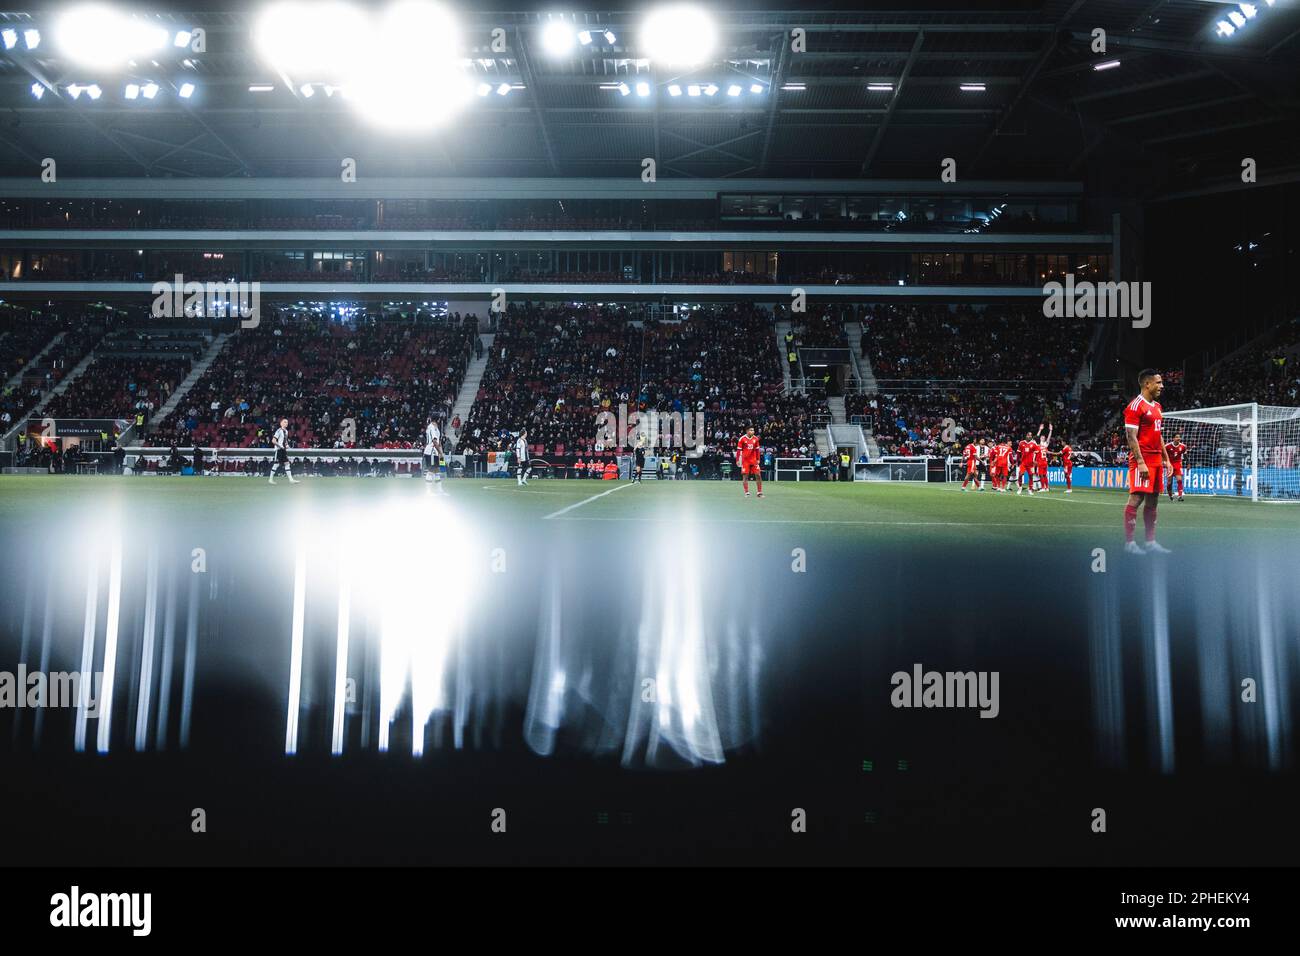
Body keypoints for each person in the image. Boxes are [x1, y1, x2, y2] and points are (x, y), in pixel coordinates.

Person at [1123, 369, 1173, 554]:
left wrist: (1166, 459)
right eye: (1158, 383)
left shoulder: (1158, 407)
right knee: (1136, 498)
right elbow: (1131, 436)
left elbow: (1158, 435)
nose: (1162, 386)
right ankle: (1129, 544)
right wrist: (1141, 462)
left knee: (1153, 500)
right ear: (1147, 384)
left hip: (1156, 459)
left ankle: (1150, 543)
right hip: (1141, 459)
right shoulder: (1135, 406)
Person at [423, 414, 448, 496]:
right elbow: (434, 441)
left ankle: (439, 490)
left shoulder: (435, 428)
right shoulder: (432, 428)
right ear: (437, 420)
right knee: (431, 470)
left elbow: (438, 441)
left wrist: (441, 451)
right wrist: (440, 452)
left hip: (435, 451)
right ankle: (428, 491)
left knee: (437, 470)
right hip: (431, 451)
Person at [269, 417, 298, 484]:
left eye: (287, 422)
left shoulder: (286, 431)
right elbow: (273, 441)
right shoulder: (278, 431)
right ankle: (270, 479)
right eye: (285, 422)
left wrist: (287, 445)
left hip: (283, 450)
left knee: (287, 463)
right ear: (281, 423)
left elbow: (285, 441)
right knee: (276, 465)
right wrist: (280, 446)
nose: (286, 423)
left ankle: (291, 480)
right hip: (279, 450)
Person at [736, 425, 763, 498]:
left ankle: (759, 492)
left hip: (754, 460)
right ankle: (746, 492)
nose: (753, 432)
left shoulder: (756, 439)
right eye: (751, 430)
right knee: (745, 476)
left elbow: (757, 450)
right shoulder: (742, 439)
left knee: (758, 475)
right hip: (745, 461)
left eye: (753, 430)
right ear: (747, 431)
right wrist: (737, 460)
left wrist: (758, 459)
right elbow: (739, 450)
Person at [1165, 433, 1188, 501]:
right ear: (1173, 438)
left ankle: (1180, 496)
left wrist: (1188, 463)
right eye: (1177, 437)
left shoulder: (1183, 446)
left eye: (1179, 437)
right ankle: (1170, 495)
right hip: (1170, 465)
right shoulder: (1167, 446)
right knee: (1169, 482)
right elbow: (1163, 454)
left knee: (1179, 480)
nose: (1178, 438)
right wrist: (1165, 462)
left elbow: (1185, 455)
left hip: (1178, 464)